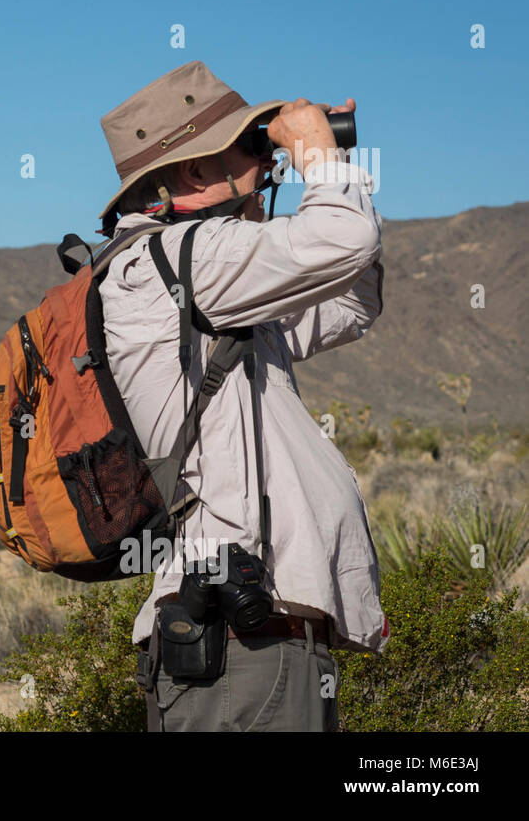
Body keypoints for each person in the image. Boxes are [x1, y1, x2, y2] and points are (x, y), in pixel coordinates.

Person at [97, 61, 387, 731]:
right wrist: (316, 152)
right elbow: (343, 240)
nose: (268, 163)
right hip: (236, 643)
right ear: (195, 173)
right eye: (251, 147)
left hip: (261, 640)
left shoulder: (214, 284)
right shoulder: (176, 257)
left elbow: (353, 301)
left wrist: (331, 163)